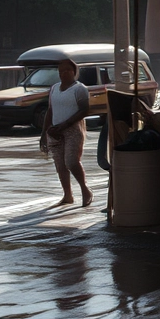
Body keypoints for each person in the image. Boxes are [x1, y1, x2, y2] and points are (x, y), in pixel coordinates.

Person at [39, 58, 94, 208]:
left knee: (71, 161)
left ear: (74, 72)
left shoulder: (79, 89)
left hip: (72, 129)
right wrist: (44, 132)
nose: (64, 74)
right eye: (61, 71)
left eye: (67, 70)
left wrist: (65, 124)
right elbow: (50, 111)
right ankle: (67, 194)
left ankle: (85, 189)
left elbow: (84, 110)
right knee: (60, 165)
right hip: (55, 131)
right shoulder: (54, 88)